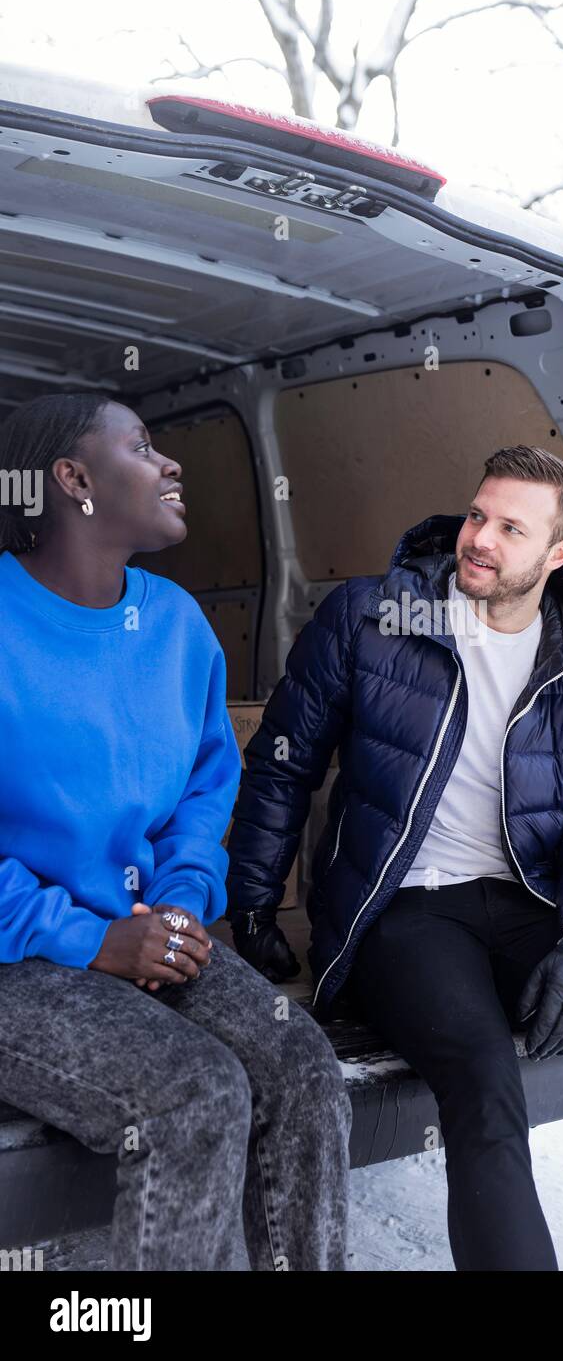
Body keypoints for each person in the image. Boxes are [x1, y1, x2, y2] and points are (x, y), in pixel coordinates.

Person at [226, 443, 563, 1272]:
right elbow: (284, 760)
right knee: (484, 1075)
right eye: (478, 514)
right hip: (402, 909)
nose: (480, 538)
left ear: (558, 555)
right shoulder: (371, 616)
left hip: (526, 906)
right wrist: (252, 898)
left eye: (510, 527)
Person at [0, 393, 351, 1271]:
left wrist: (182, 905)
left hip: (151, 926)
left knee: (303, 1069)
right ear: (74, 480)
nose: (171, 465)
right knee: (195, 1095)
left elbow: (205, 785)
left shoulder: (176, 628)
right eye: (143, 447)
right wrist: (94, 941)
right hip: (16, 954)